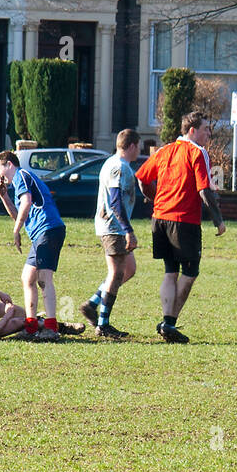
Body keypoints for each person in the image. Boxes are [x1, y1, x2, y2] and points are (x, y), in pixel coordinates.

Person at [135, 111, 227, 344]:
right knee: (190, 273)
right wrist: (218, 219)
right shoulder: (198, 152)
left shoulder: (164, 150)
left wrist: (152, 197)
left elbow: (142, 178)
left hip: (160, 218)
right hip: (184, 220)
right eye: (206, 129)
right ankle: (169, 323)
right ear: (192, 130)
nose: (209, 134)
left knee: (169, 271)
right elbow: (204, 189)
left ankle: (167, 321)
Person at [0, 151, 80, 341]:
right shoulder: (16, 184)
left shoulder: (22, 175)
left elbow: (27, 203)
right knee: (27, 278)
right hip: (41, 233)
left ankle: (51, 328)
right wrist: (3, 196)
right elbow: (18, 215)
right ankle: (31, 326)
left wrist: (16, 232)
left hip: (48, 229)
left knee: (43, 279)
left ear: (9, 164)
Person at [81, 128, 142, 339]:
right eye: (138, 147)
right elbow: (115, 201)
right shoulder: (118, 167)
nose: (139, 151)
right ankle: (103, 324)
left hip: (112, 226)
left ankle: (92, 304)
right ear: (132, 145)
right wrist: (128, 230)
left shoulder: (112, 163)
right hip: (113, 228)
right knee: (116, 273)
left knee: (129, 269)